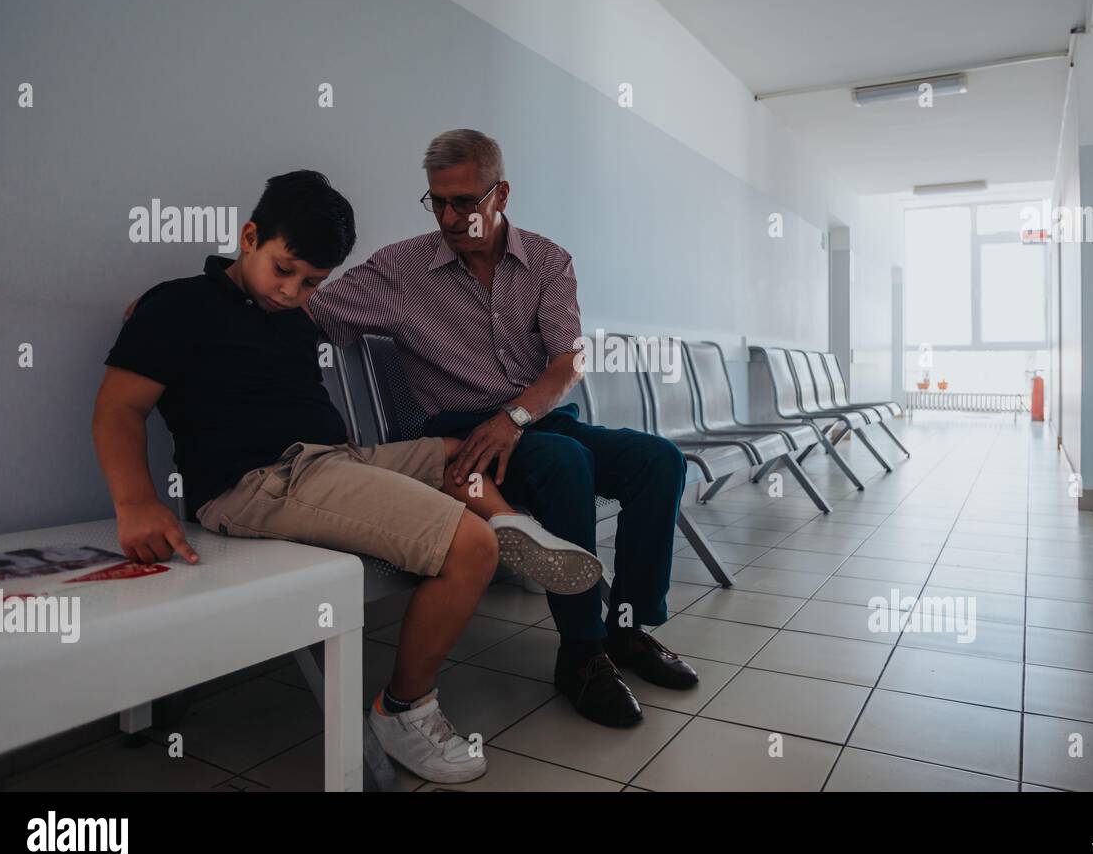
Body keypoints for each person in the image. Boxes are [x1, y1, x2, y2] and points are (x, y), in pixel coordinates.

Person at [94, 170, 602, 782]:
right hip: (260, 482)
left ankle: (516, 524)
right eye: (284, 271)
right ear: (248, 237)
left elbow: (335, 309)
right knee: (471, 550)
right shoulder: (174, 304)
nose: (292, 292)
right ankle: (404, 709)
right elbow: (119, 408)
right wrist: (136, 502)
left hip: (332, 460)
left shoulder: (295, 314)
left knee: (454, 451)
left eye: (312, 283)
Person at [306, 131, 700, 729]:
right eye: (436, 201)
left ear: (502, 193)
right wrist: (198, 300)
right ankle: (582, 654)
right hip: (462, 441)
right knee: (566, 462)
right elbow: (307, 312)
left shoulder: (546, 262)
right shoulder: (399, 271)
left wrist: (514, 418)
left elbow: (569, 362)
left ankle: (626, 628)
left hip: (537, 422)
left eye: (463, 201)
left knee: (660, 460)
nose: (448, 216)